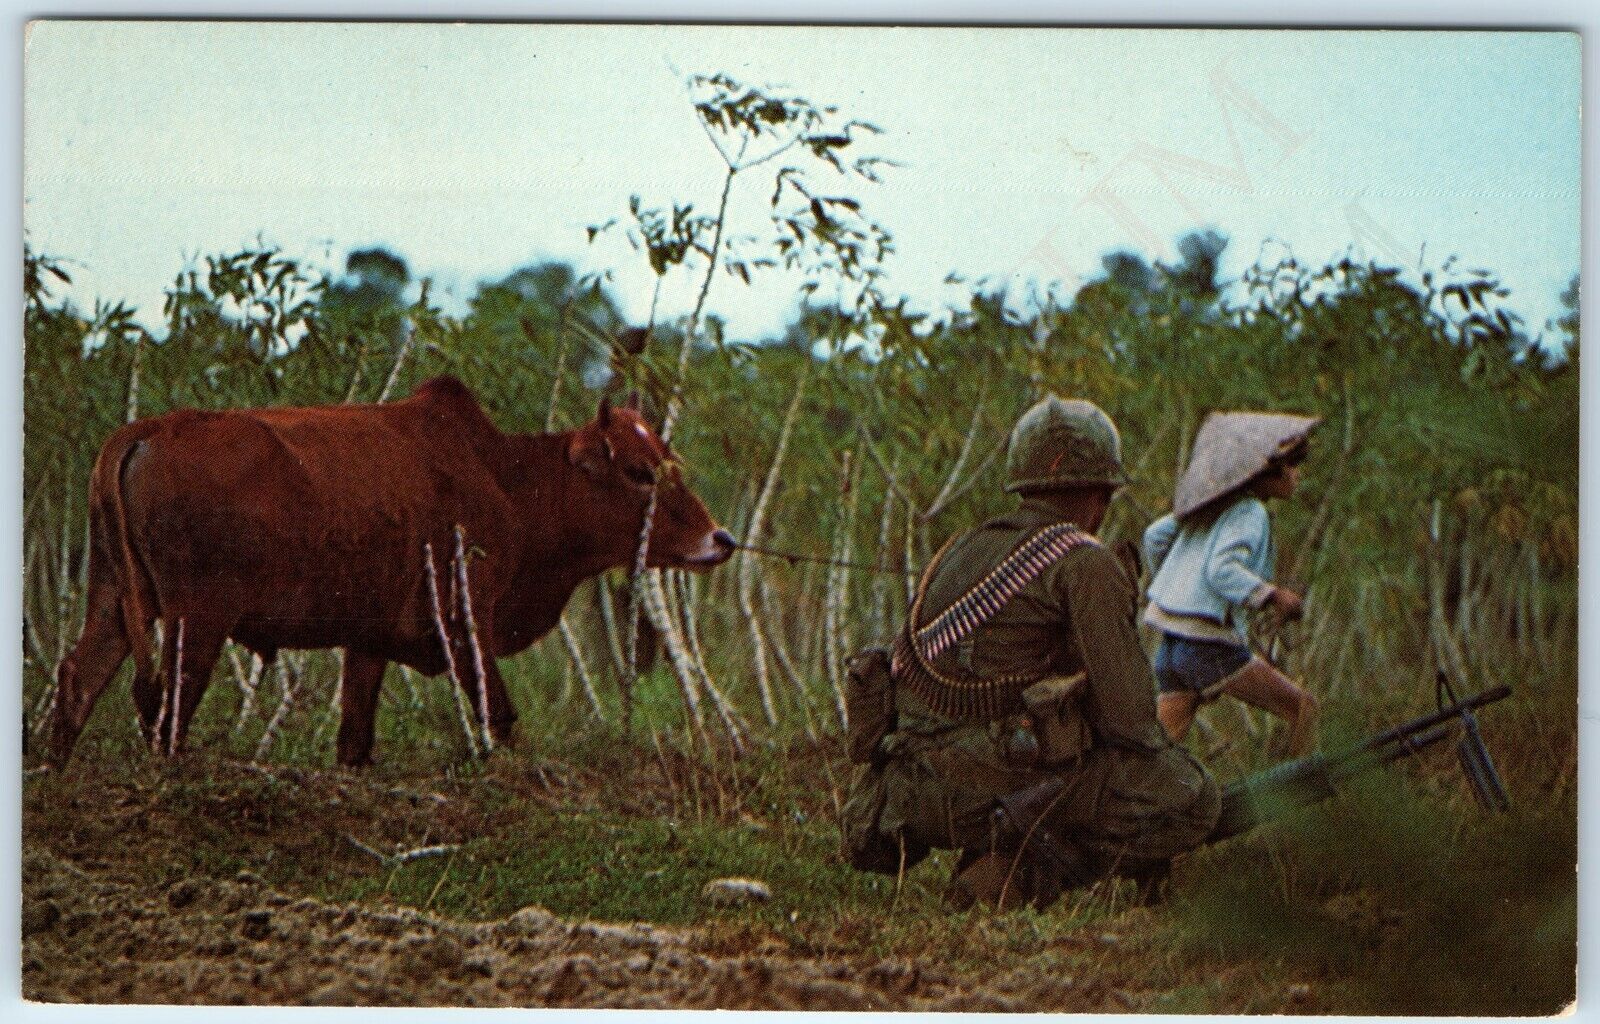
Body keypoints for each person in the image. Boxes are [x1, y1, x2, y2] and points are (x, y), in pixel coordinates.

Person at [840, 395, 1220, 910]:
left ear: (1022, 484)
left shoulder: (960, 546)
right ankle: (1016, 871)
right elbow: (1131, 723)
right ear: (1100, 494)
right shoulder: (1081, 560)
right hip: (989, 791)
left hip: (907, 793)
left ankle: (1000, 852)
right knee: (1192, 799)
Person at [1142, 411, 1321, 758]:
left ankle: (1135, 810)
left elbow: (1154, 536)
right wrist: (1272, 595)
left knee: (1155, 758)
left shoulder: (1207, 505)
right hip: (1208, 646)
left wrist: (1179, 589)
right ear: (1270, 470)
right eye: (1292, 467)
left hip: (1171, 647)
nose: (1297, 476)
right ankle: (1297, 809)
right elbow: (1222, 569)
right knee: (1303, 710)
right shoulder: (1252, 512)